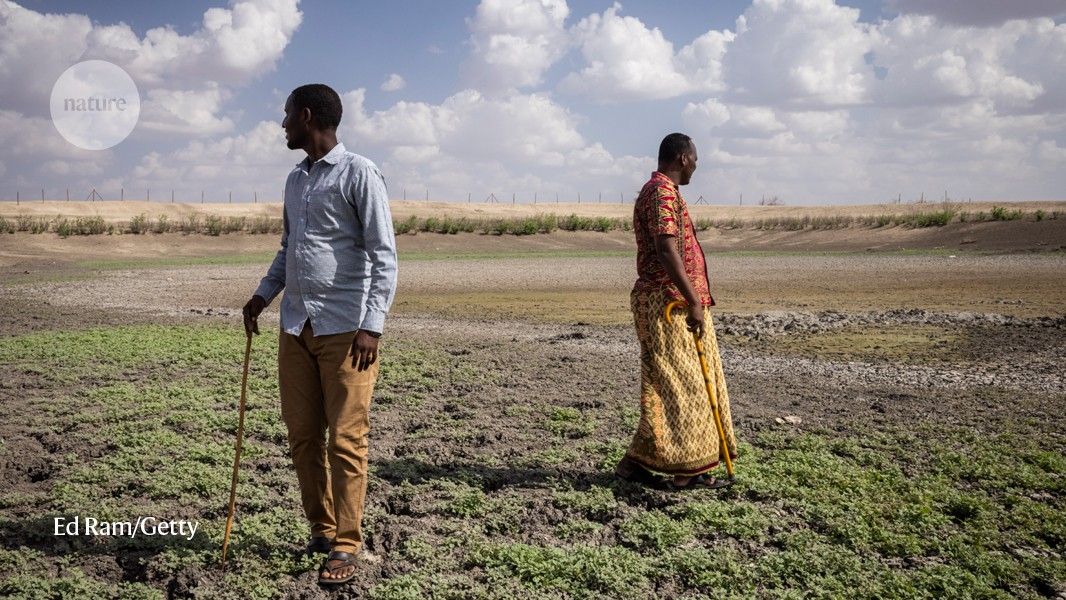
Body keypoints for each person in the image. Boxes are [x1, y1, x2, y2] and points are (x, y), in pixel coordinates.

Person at [242, 83, 397, 585]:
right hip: (296, 326)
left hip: (348, 331)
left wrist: (372, 324)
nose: (282, 124)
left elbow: (383, 254)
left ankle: (347, 546)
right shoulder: (295, 180)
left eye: (287, 115)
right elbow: (289, 248)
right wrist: (264, 295)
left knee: (347, 440)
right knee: (303, 436)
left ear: (307, 116)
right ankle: (321, 530)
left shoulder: (359, 173)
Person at [615, 132, 738, 490]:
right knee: (683, 384)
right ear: (683, 158)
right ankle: (687, 472)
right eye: (696, 159)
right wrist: (694, 301)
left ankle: (635, 465)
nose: (697, 166)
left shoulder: (664, 192)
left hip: (675, 300)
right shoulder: (660, 193)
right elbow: (666, 249)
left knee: (687, 382)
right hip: (666, 303)